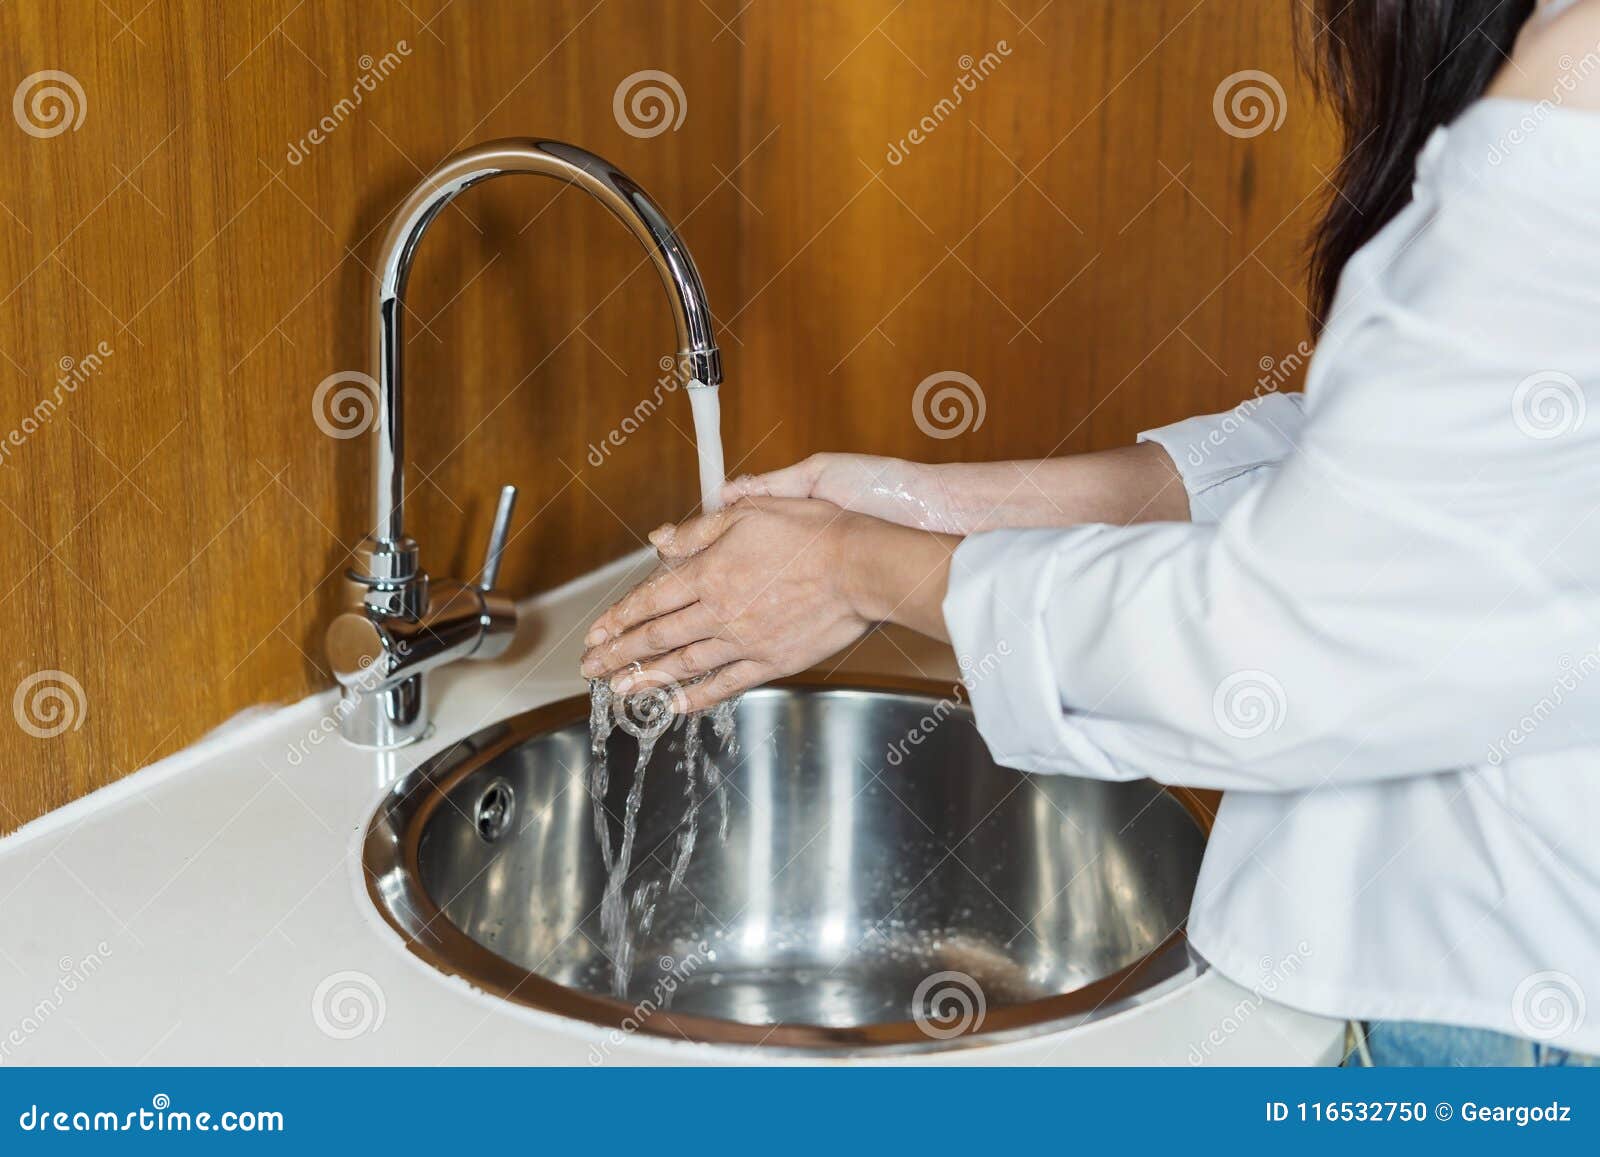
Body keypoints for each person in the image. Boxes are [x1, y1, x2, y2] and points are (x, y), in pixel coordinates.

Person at [582, 0, 1600, 1066]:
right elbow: (1418, 465)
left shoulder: (1577, 69)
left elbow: (1269, 644)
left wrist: (856, 569)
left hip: (1509, 1034)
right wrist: (933, 509)